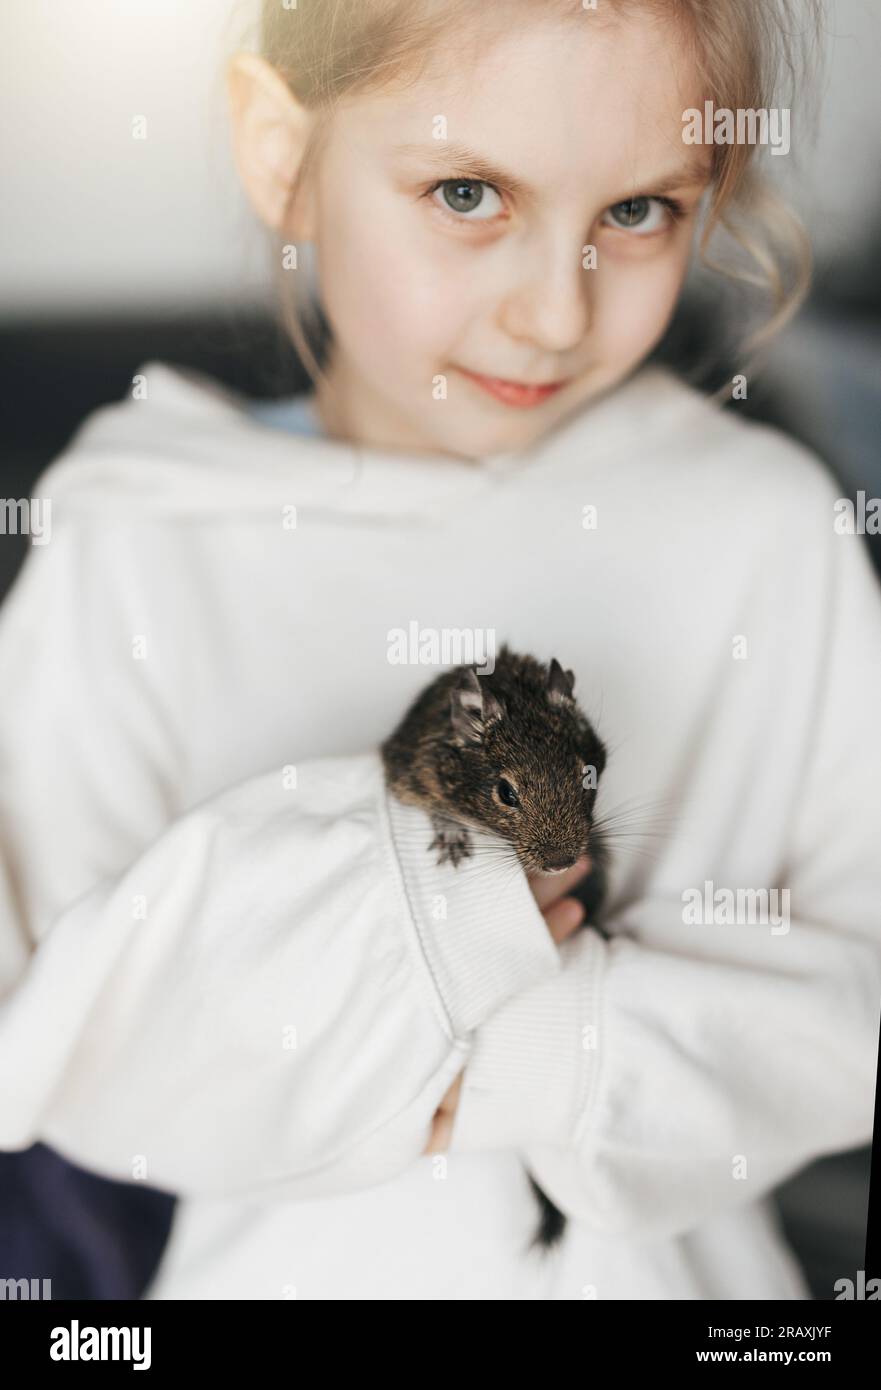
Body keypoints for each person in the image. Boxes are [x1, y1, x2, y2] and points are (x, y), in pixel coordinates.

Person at [0, 0, 878, 1300]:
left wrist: (540, 1059)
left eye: (636, 211)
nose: (552, 314)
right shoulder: (139, 537)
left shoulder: (763, 530)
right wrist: (418, 931)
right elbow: (56, 1045)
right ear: (280, 155)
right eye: (467, 191)